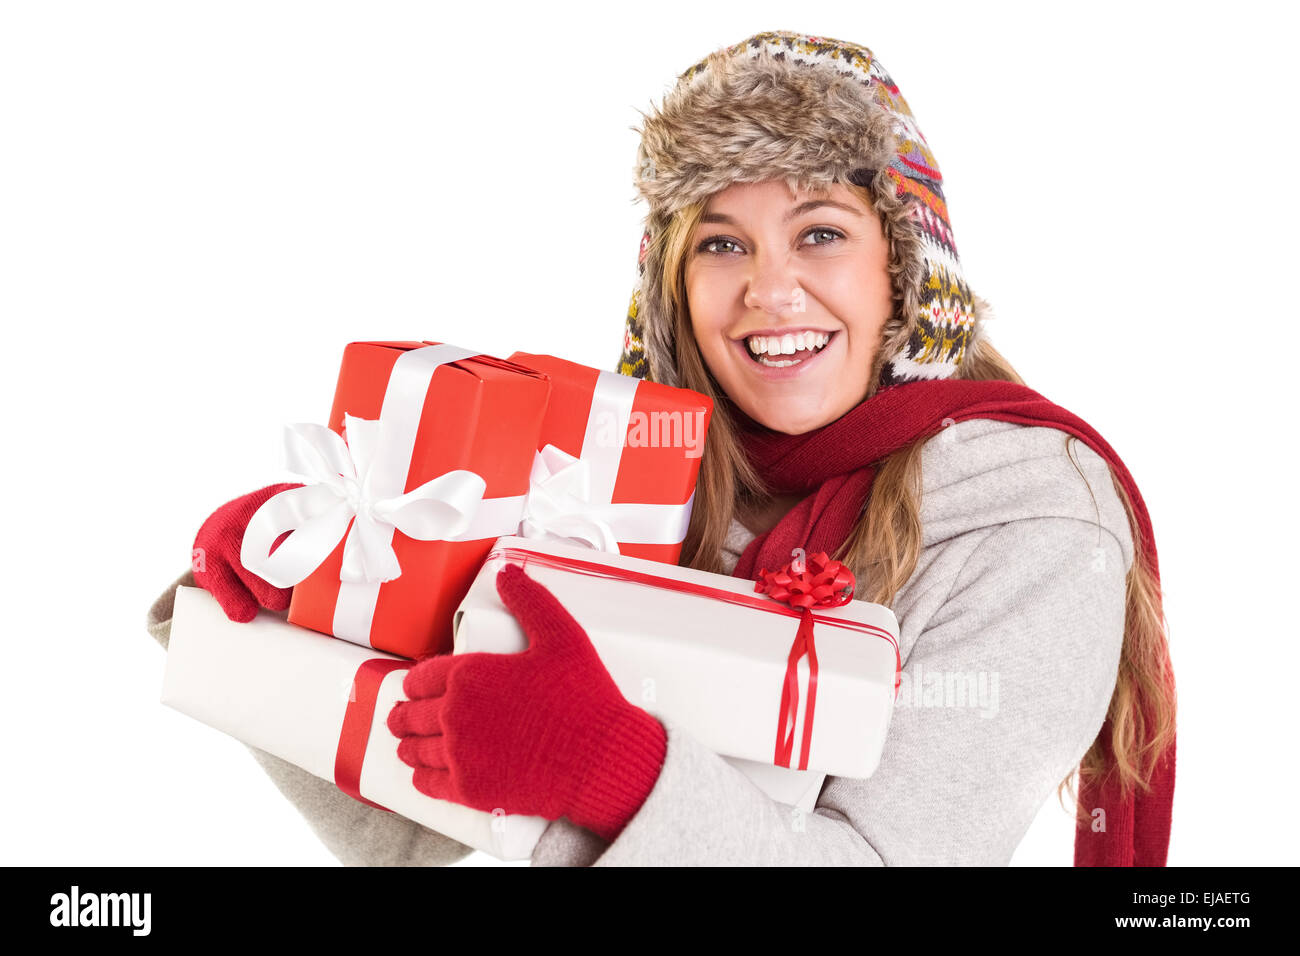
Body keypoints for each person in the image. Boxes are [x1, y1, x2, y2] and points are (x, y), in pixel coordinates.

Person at [146, 29, 1177, 866]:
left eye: (820, 232)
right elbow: (425, 830)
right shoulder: (625, 481)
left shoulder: (1036, 524)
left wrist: (613, 768)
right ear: (672, 286)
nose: (770, 292)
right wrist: (300, 605)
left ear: (904, 274)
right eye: (721, 242)